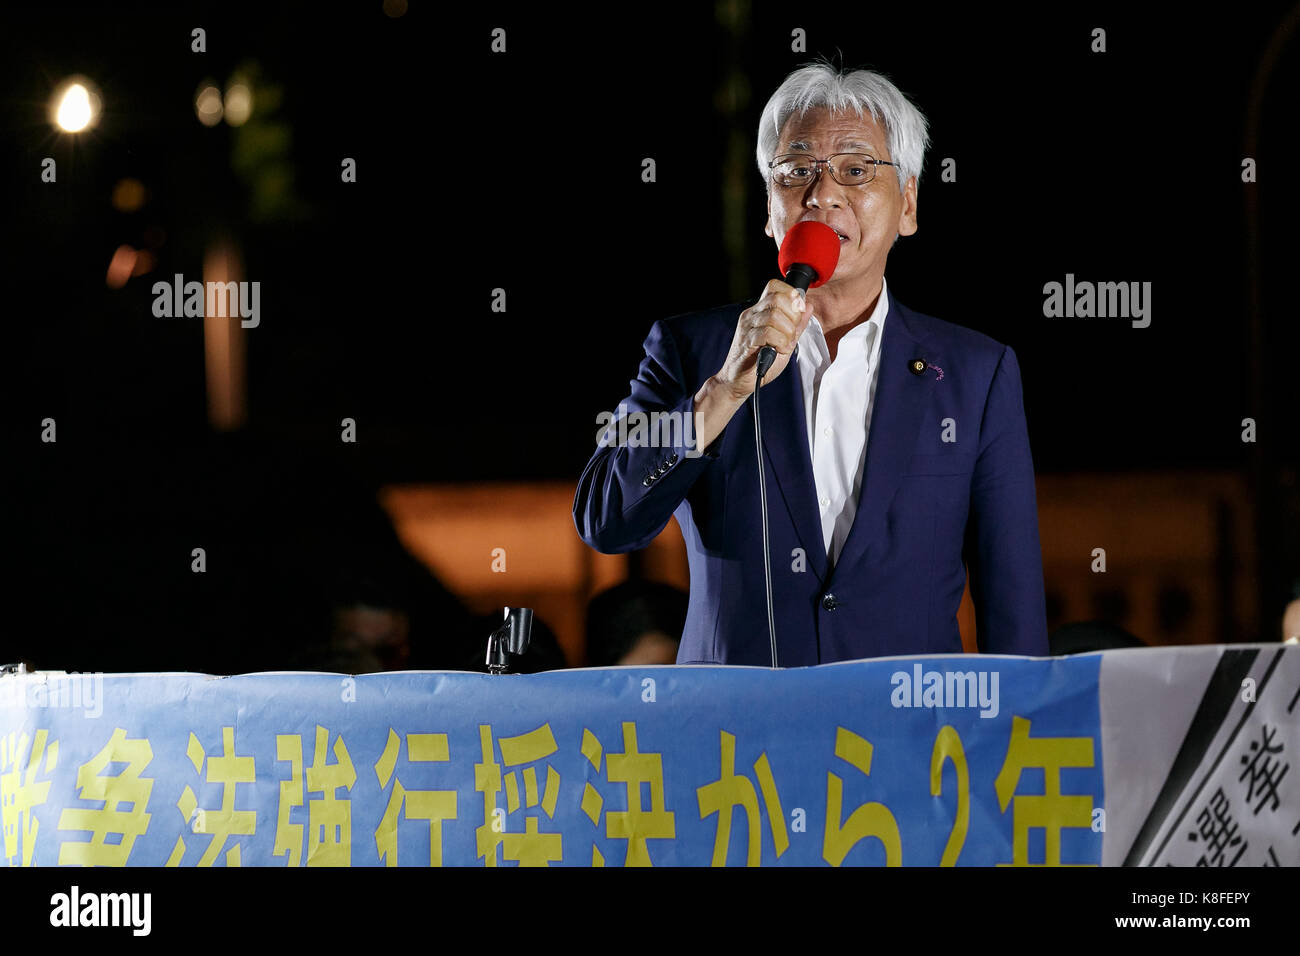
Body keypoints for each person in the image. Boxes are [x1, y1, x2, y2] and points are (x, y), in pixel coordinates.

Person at [573, 64, 1049, 666]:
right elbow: (603, 520)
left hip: (907, 736)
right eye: (798, 171)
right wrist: (720, 393)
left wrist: (1017, 741)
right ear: (770, 210)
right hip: (733, 744)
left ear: (908, 205)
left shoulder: (976, 374)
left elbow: (1014, 607)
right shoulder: (690, 349)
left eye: (855, 170)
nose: (823, 193)